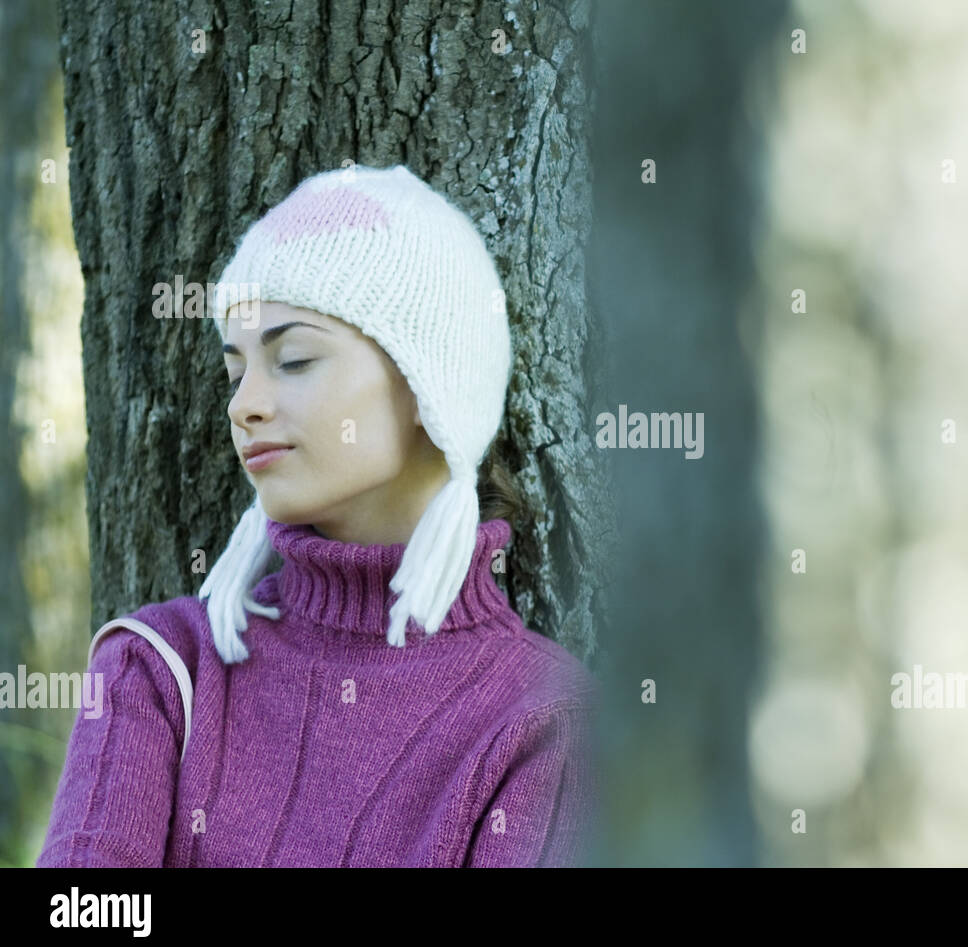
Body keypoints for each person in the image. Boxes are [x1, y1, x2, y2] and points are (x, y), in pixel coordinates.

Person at [36, 164, 600, 867]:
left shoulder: (547, 723)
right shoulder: (157, 669)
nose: (244, 405)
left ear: (430, 386)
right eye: (236, 369)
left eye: (294, 358)